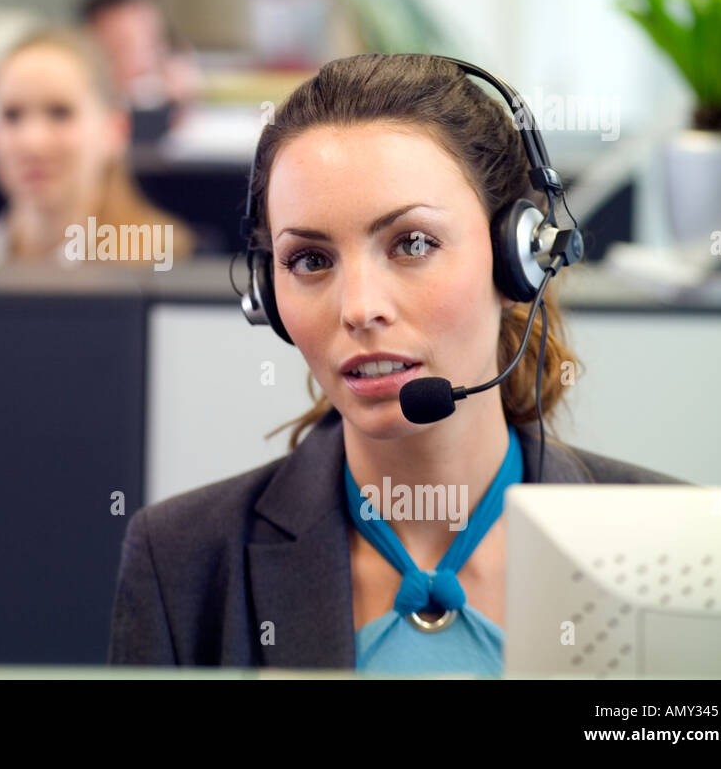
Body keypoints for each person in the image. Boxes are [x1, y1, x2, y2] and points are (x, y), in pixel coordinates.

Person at [107, 53, 683, 671]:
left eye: (412, 244)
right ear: (267, 293)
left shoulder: (669, 549)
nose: (359, 309)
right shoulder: (182, 563)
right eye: (310, 260)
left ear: (518, 260)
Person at [0, 28, 196, 267]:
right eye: (11, 115)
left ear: (116, 130)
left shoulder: (173, 264)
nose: (33, 142)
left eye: (60, 113)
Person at [75, 0, 200, 144]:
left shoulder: (176, 104)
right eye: (122, 45)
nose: (142, 59)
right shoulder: (81, 117)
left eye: (151, 43)